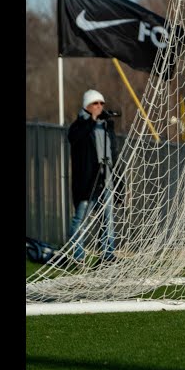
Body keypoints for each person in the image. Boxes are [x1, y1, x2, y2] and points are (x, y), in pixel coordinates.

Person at [67, 88, 119, 261]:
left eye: (101, 103)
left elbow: (113, 153)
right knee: (80, 220)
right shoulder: (78, 126)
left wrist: (119, 180)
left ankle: (108, 254)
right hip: (87, 182)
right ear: (87, 106)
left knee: (108, 219)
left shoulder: (105, 126)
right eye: (95, 103)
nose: (99, 106)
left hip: (106, 179)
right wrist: (92, 120)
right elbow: (75, 139)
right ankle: (78, 255)